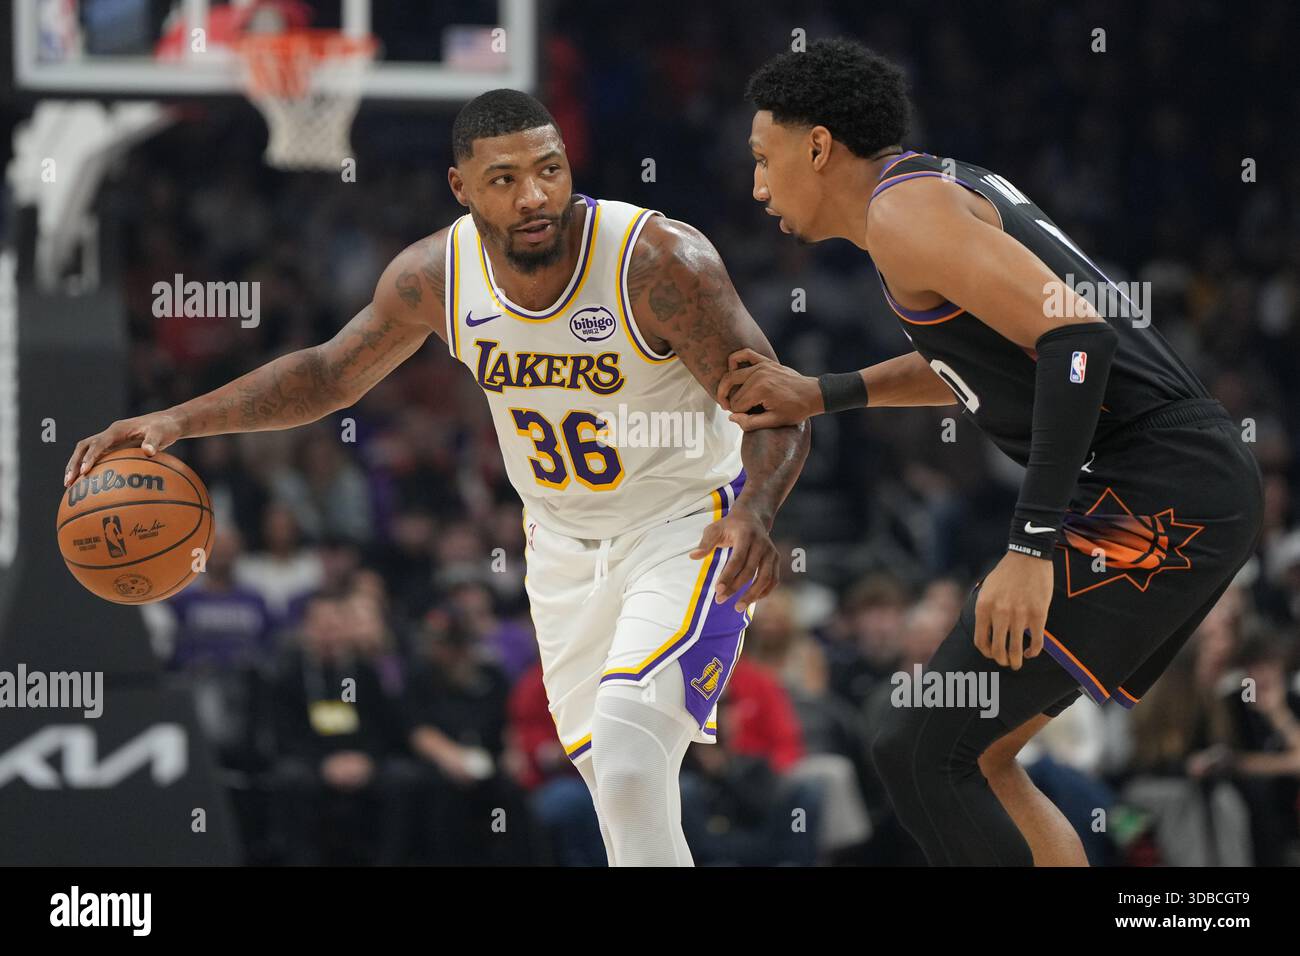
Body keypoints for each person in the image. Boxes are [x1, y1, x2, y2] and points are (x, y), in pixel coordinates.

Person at [63, 89, 810, 867]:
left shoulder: (657, 262)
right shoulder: (436, 275)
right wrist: (179, 421)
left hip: (688, 527)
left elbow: (781, 408)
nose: (533, 196)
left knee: (626, 753)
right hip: (558, 548)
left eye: (550, 171)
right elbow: (328, 375)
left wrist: (755, 510)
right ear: (461, 186)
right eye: (504, 178)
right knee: (617, 786)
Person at [717, 38, 1264, 866]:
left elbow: (1077, 338)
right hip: (1172, 479)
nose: (757, 186)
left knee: (918, 748)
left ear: (818, 147)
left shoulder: (909, 214)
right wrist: (823, 393)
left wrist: (1032, 542)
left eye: (765, 159)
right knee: (981, 751)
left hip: (1160, 488)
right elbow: (977, 362)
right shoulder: (926, 195)